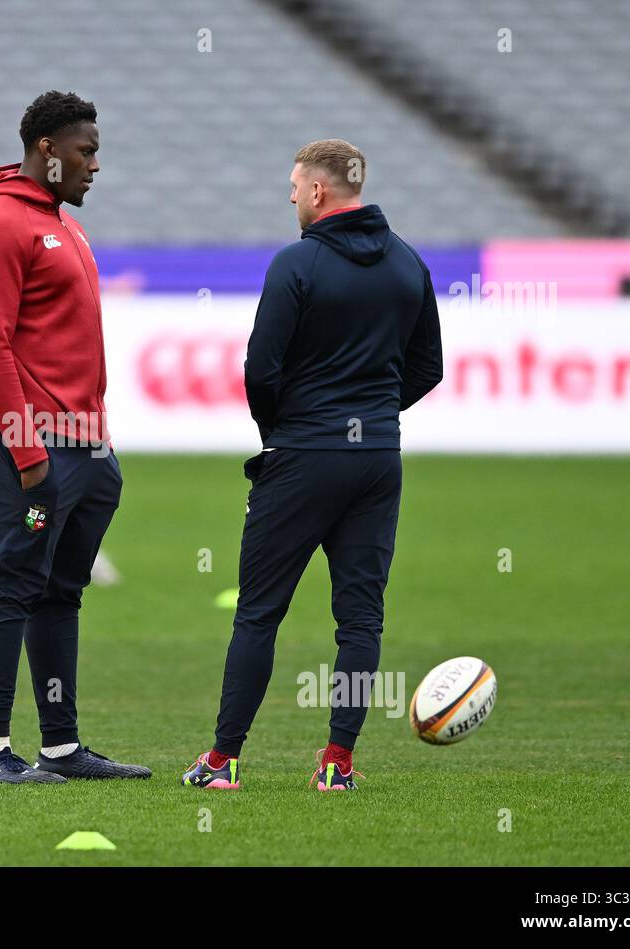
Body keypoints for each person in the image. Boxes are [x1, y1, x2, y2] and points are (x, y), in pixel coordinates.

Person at [181, 139, 443, 791]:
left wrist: (285, 432)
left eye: (294, 186)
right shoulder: (409, 263)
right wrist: (375, 412)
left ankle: (222, 761)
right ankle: (337, 765)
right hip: (378, 460)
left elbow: (260, 370)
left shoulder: (296, 264)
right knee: (361, 619)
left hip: (302, 457)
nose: (291, 196)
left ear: (319, 191)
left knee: (259, 612)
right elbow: (428, 368)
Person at [0, 91, 150, 784]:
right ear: (47, 150)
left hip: (86, 445)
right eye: (85, 152)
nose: (95, 165)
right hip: (35, 449)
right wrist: (28, 455)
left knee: (60, 594)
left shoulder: (62, 224)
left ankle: (62, 747)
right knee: (11, 584)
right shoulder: (0, 227)